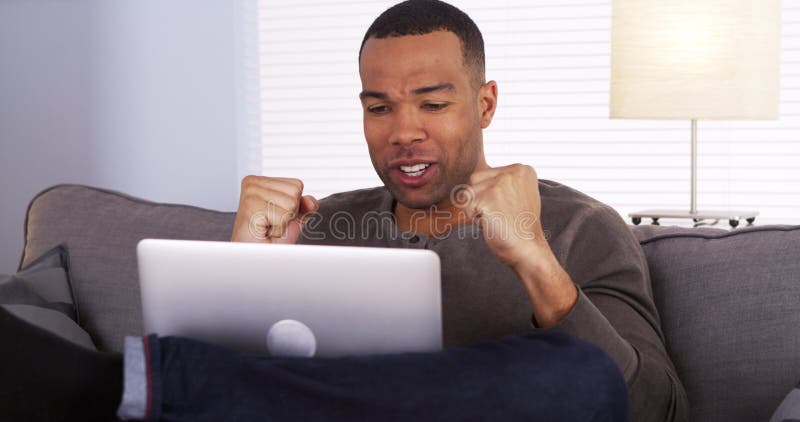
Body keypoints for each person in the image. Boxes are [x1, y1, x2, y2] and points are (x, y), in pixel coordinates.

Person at [0, 1, 686, 421]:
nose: (402, 130)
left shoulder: (581, 226)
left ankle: (112, 388)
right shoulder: (327, 224)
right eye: (378, 106)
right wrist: (244, 270)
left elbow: (649, 409)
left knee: (576, 373)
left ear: (485, 104)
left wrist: (534, 257)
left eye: (433, 102)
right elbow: (248, 388)